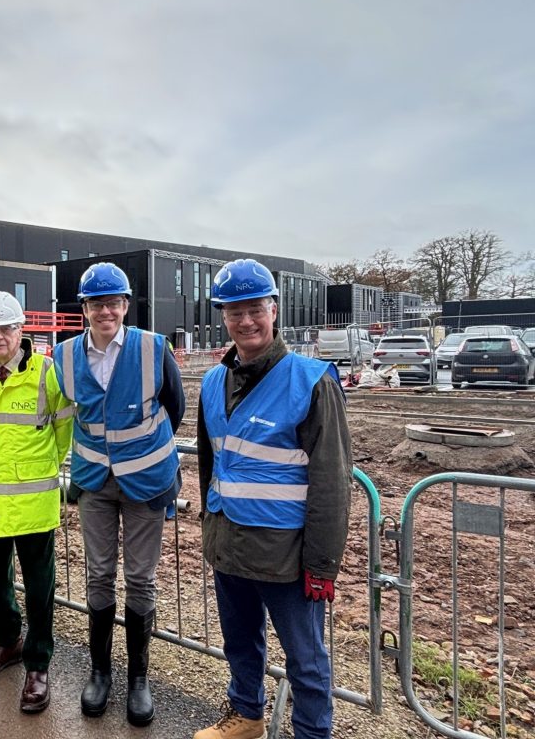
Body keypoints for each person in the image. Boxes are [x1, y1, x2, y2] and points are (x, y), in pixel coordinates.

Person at [194, 259, 351, 739]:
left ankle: (311, 733)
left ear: (274, 309)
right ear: (222, 316)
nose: (246, 321)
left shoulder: (311, 380)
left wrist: (322, 566)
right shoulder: (211, 382)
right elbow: (211, 465)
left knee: (306, 660)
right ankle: (247, 716)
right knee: (240, 643)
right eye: (234, 311)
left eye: (255, 308)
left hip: (286, 555)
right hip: (230, 542)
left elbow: (332, 482)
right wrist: (210, 526)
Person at [52, 262, 185, 727]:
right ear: (84, 308)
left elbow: (177, 406)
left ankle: (139, 681)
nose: (105, 311)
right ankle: (100, 674)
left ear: (125, 305)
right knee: (99, 575)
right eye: (95, 303)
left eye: (113, 302)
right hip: (94, 481)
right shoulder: (64, 355)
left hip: (147, 480)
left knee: (142, 580)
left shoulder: (153, 348)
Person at [0, 291, 72, 714]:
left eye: (6, 328)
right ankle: (8, 643)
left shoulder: (46, 374)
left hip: (34, 504)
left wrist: (34, 469)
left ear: (21, 330)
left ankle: (38, 664)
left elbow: (63, 432)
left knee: (41, 589)